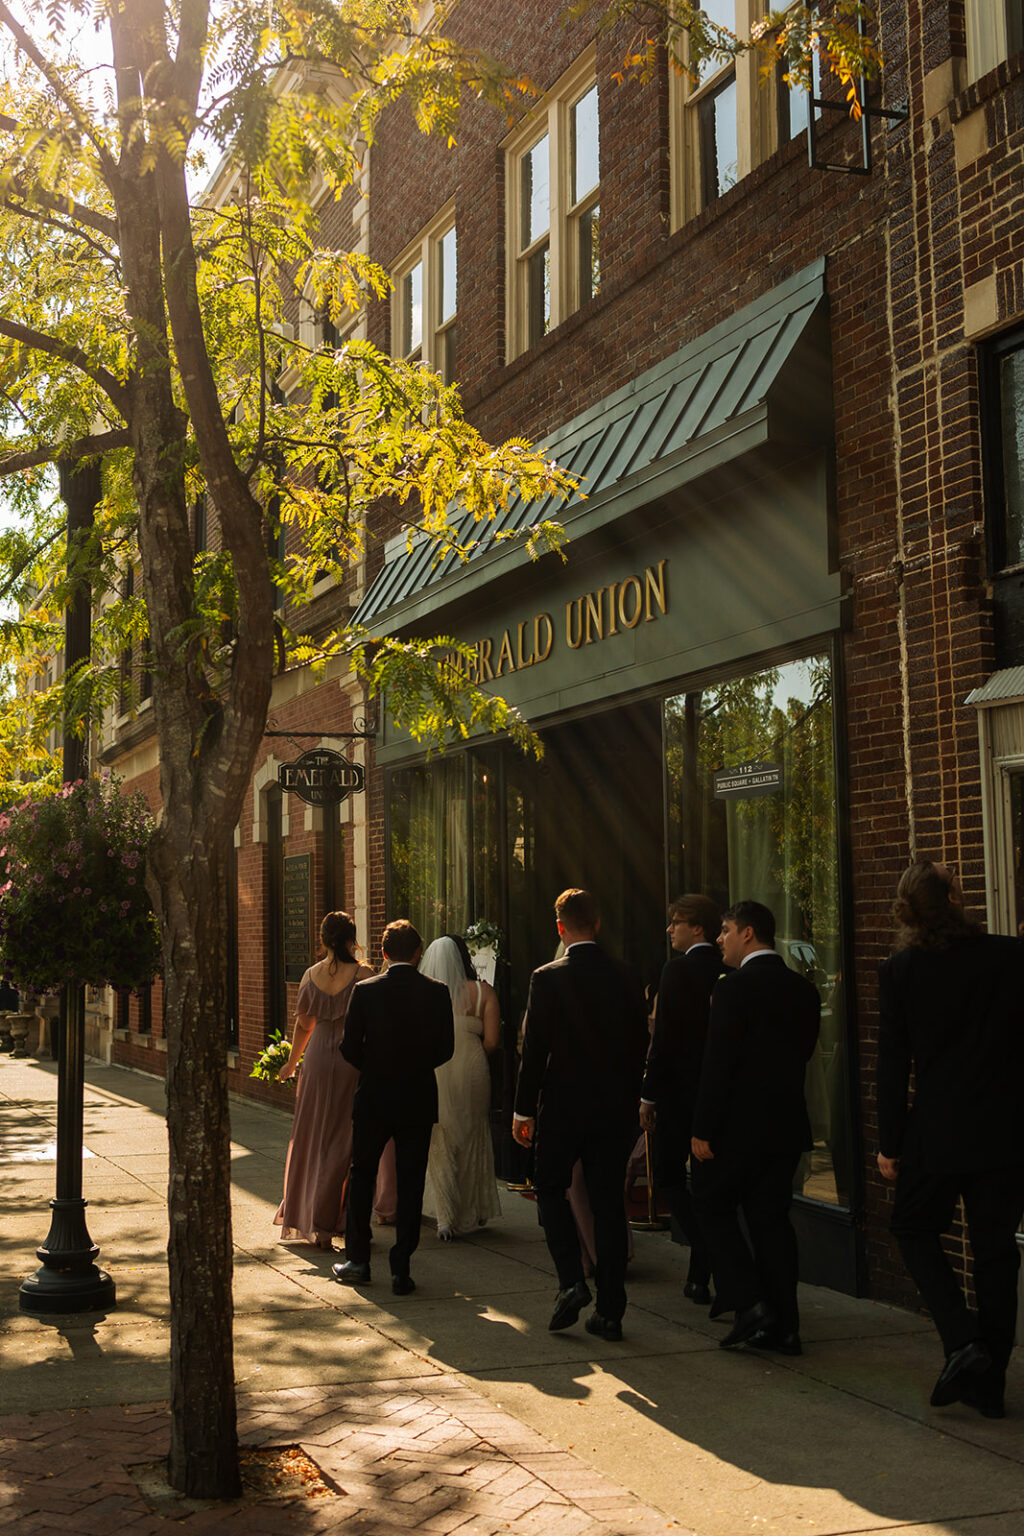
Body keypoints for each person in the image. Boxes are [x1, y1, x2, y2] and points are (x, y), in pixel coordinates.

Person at [877, 858, 1024, 1418]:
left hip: (936, 1130)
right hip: (1006, 1131)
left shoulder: (901, 971)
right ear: (955, 899)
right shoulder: (1010, 957)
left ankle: (963, 1342)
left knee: (912, 1227)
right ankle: (989, 1385)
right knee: (995, 1252)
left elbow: (893, 1065)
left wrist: (890, 1142)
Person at [513, 888, 649, 1341]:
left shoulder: (547, 977)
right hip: (613, 1109)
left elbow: (535, 1051)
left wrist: (522, 1110)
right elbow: (640, 1044)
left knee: (549, 1187)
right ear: (598, 923)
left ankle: (571, 1279)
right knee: (608, 1203)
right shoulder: (626, 976)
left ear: (560, 928)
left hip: (563, 1106)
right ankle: (611, 1308)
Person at [691, 899, 820, 1355]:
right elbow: (804, 1053)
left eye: (725, 930)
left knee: (709, 1203)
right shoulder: (804, 990)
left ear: (748, 933)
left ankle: (748, 1302)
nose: (719, 939)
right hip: (784, 1125)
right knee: (771, 1221)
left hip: (736, 1127)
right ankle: (785, 1327)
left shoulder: (732, 989)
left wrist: (703, 1127)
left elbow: (719, 1063)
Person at [332, 919, 454, 1295]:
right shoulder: (437, 992)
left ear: (384, 953)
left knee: (363, 1175)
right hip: (417, 1096)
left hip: (374, 1096)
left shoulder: (366, 991)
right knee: (411, 1180)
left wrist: (375, 1066)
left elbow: (349, 1046)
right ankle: (402, 1267)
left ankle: (358, 1259)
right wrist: (415, 1067)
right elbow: (445, 1048)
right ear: (418, 952)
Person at [640, 894, 723, 1308]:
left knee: (668, 1175)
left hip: (679, 1092)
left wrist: (649, 1095)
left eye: (677, 922)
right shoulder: (727, 969)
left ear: (698, 928)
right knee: (708, 1183)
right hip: (719, 1094)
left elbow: (665, 1039)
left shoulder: (678, 970)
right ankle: (700, 1273)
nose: (670, 929)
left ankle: (704, 1251)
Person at [274, 911, 375, 1249]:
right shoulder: (363, 974)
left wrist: (291, 1063)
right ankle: (332, 1218)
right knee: (344, 1138)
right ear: (351, 939)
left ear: (323, 939)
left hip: (317, 1058)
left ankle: (308, 1212)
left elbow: (304, 1025)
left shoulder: (310, 975)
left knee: (311, 1135)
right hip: (351, 1058)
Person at [419, 935, 501, 1239]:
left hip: (438, 1067)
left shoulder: (427, 993)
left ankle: (445, 1216)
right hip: (473, 1067)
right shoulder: (484, 992)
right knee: (472, 1132)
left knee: (439, 1136)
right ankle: (471, 1208)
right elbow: (492, 1041)